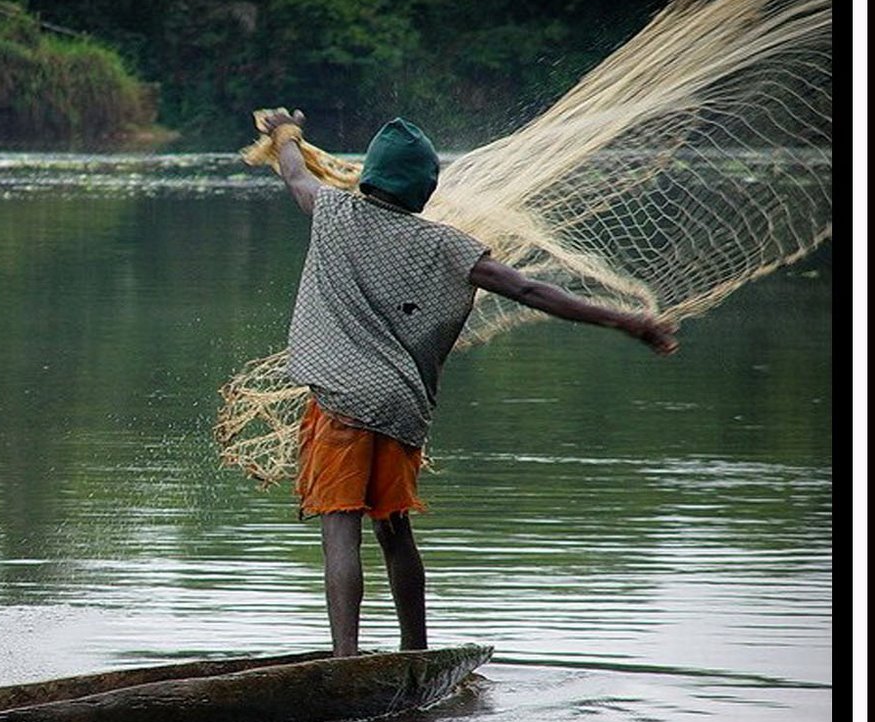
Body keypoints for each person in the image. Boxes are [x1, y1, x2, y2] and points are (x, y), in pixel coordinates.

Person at [262, 109, 679, 656]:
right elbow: (532, 291)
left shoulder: (333, 211)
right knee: (393, 528)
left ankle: (346, 663)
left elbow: (295, 175)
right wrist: (630, 322)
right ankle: (416, 653)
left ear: (369, 177)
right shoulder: (450, 247)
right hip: (398, 407)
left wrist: (284, 134)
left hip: (340, 400)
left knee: (340, 529)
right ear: (424, 190)